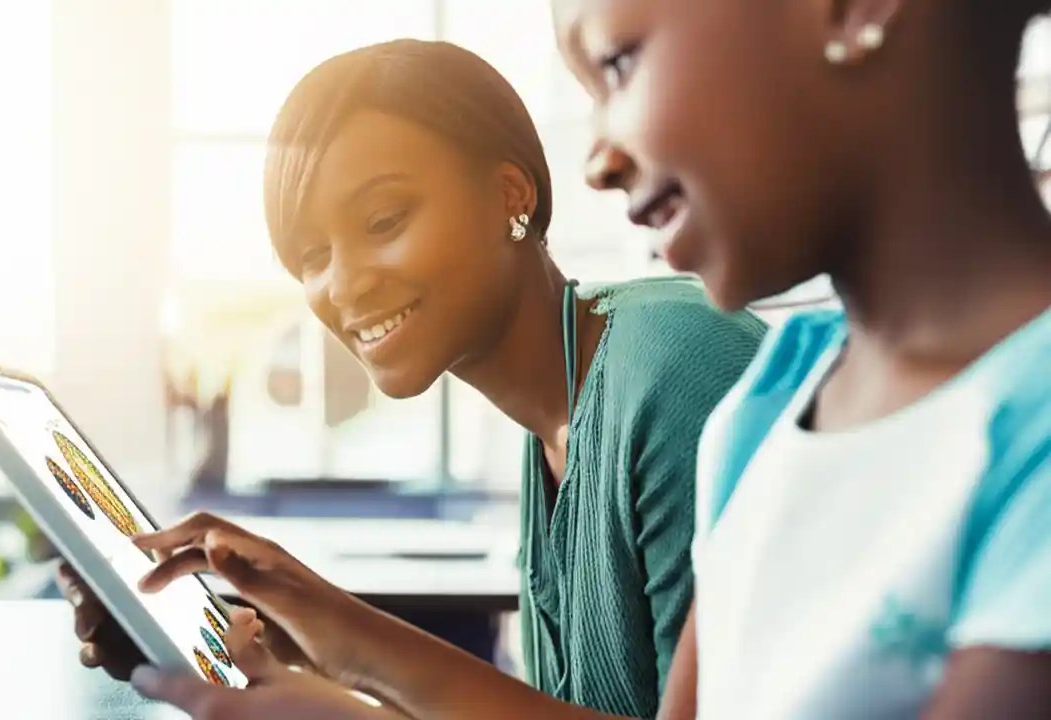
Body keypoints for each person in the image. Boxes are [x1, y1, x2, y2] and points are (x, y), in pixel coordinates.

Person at [90, 0, 1051, 716]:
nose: (596, 160)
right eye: (307, 256)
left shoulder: (685, 367)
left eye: (622, 65)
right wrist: (309, 630)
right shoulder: (782, 389)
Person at [58, 38, 764, 718]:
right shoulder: (554, 422)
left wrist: (343, 637)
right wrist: (292, 640)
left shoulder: (674, 367)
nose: (343, 284)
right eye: (312, 255)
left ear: (508, 194)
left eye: (384, 220)